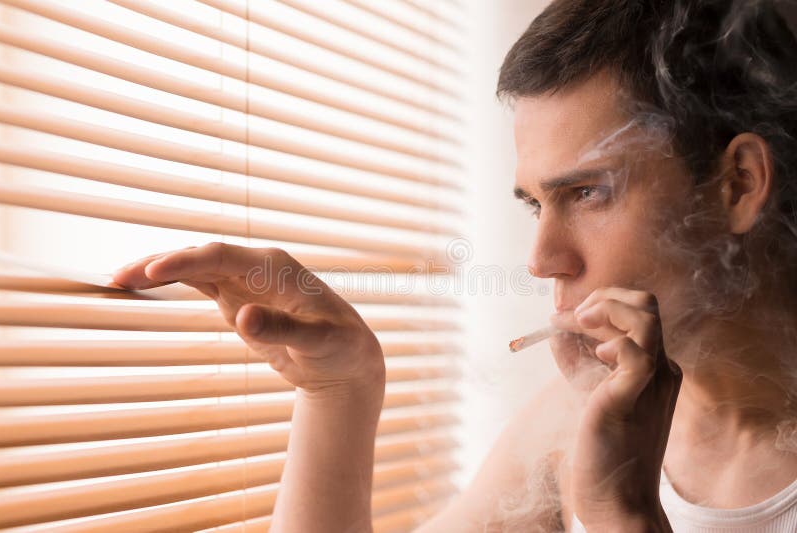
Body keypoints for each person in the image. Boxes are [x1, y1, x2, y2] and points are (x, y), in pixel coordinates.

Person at [112, 0, 797, 531]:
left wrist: (622, 514)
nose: (542, 259)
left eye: (587, 193)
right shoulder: (577, 422)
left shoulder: (608, 442)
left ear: (737, 182)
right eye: (536, 205)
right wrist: (341, 391)